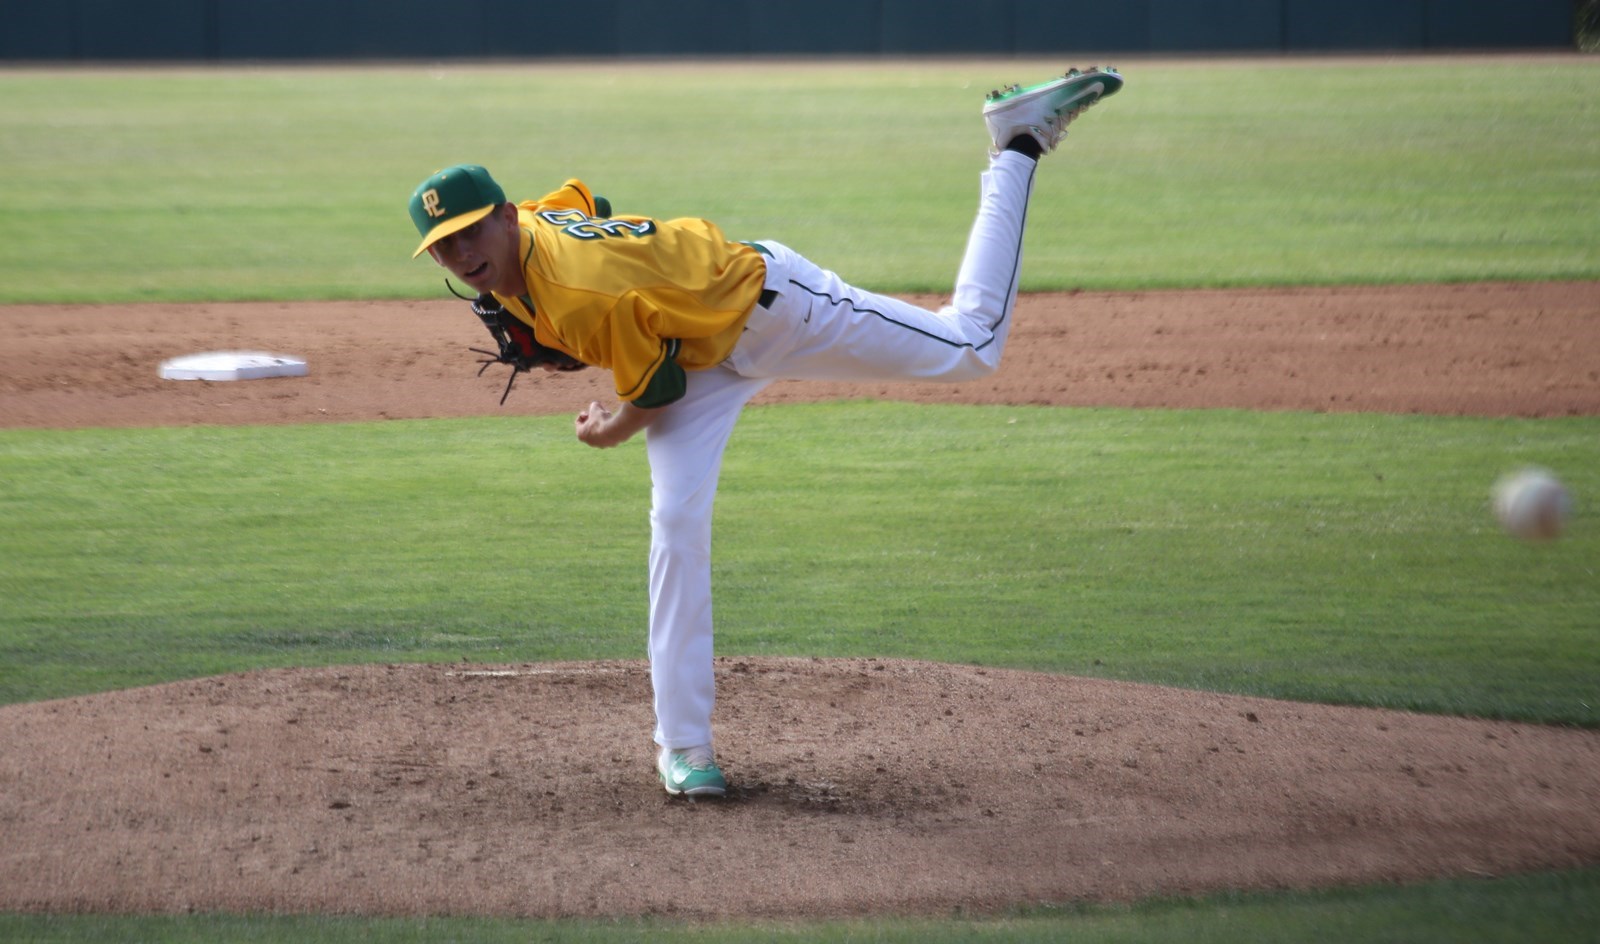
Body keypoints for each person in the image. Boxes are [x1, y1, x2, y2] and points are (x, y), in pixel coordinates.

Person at [407, 67, 1123, 797]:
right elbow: (585, 199)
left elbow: (654, 390)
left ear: (501, 216)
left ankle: (1017, 144)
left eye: (469, 233)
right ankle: (684, 749)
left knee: (970, 347)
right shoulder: (533, 221)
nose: (461, 257)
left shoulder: (584, 293)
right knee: (675, 522)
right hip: (698, 353)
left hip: (777, 310)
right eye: (442, 246)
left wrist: (607, 429)